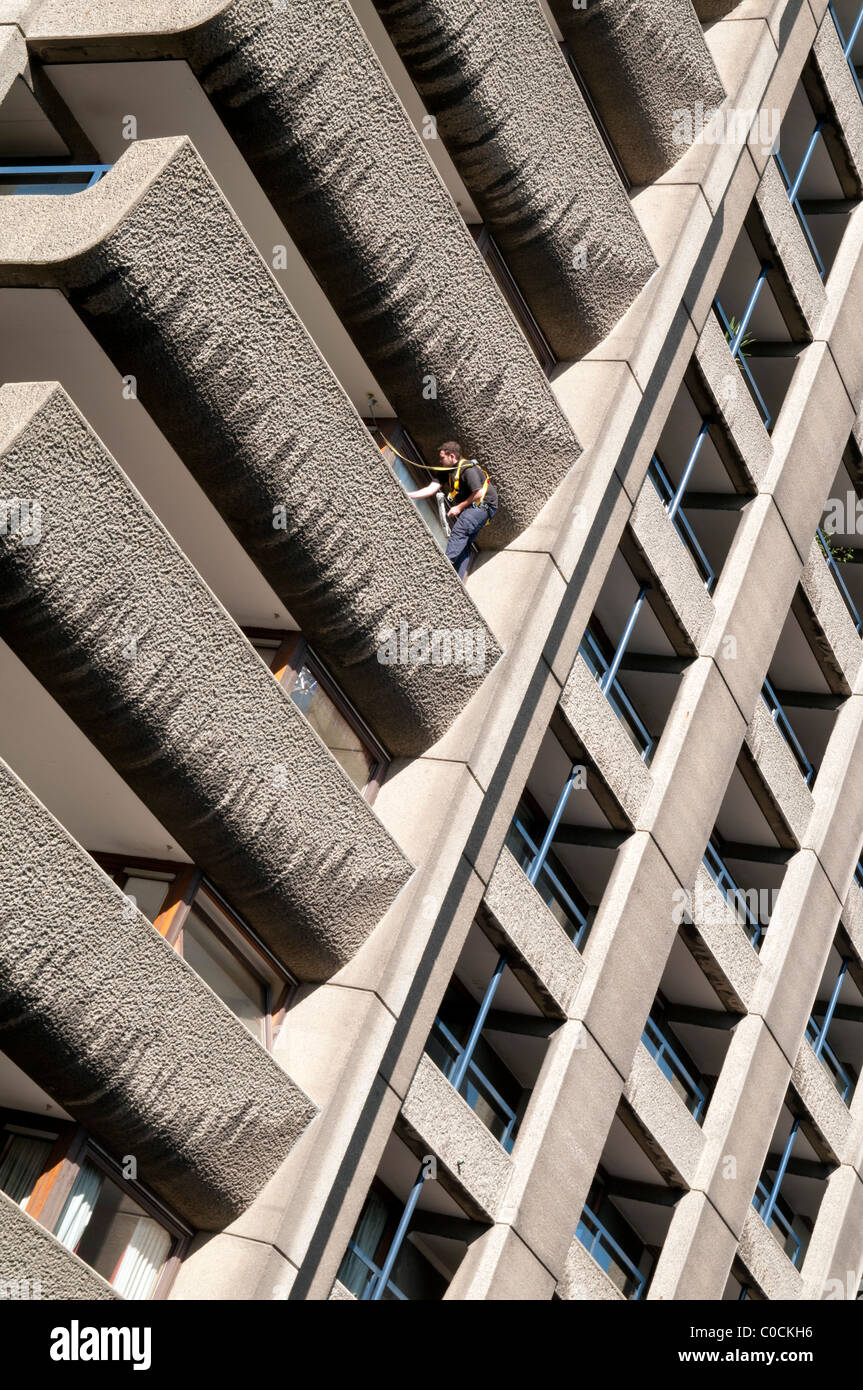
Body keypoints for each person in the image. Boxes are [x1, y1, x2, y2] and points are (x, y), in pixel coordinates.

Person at [406, 441, 498, 581]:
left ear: (452, 456)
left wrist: (459, 507)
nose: (440, 460)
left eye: (442, 458)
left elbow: (478, 493)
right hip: (474, 509)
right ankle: (456, 580)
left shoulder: (468, 469)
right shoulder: (446, 471)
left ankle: (443, 568)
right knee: (465, 545)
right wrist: (409, 495)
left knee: (459, 531)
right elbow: (431, 489)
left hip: (483, 506)